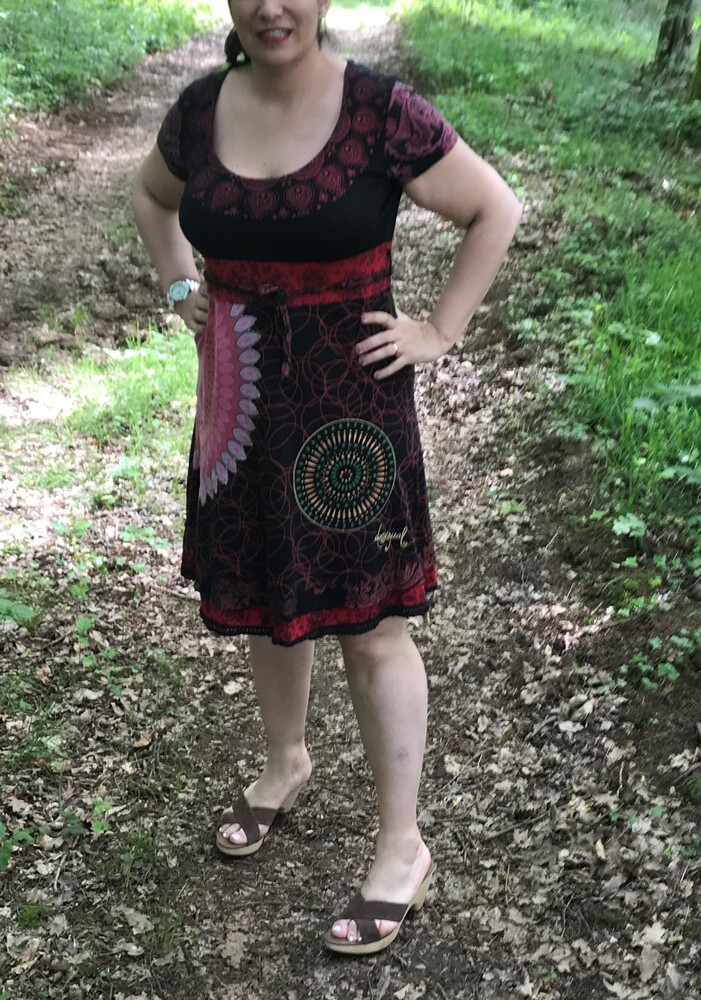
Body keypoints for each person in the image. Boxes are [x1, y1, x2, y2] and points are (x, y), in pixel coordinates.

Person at [132, 0, 521, 956]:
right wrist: (182, 287)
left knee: (373, 632)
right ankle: (285, 763)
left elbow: (493, 208)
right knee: (268, 598)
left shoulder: (381, 112)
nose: (273, 6)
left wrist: (438, 330)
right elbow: (150, 198)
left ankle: (402, 848)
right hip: (242, 411)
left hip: (350, 426)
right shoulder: (199, 111)